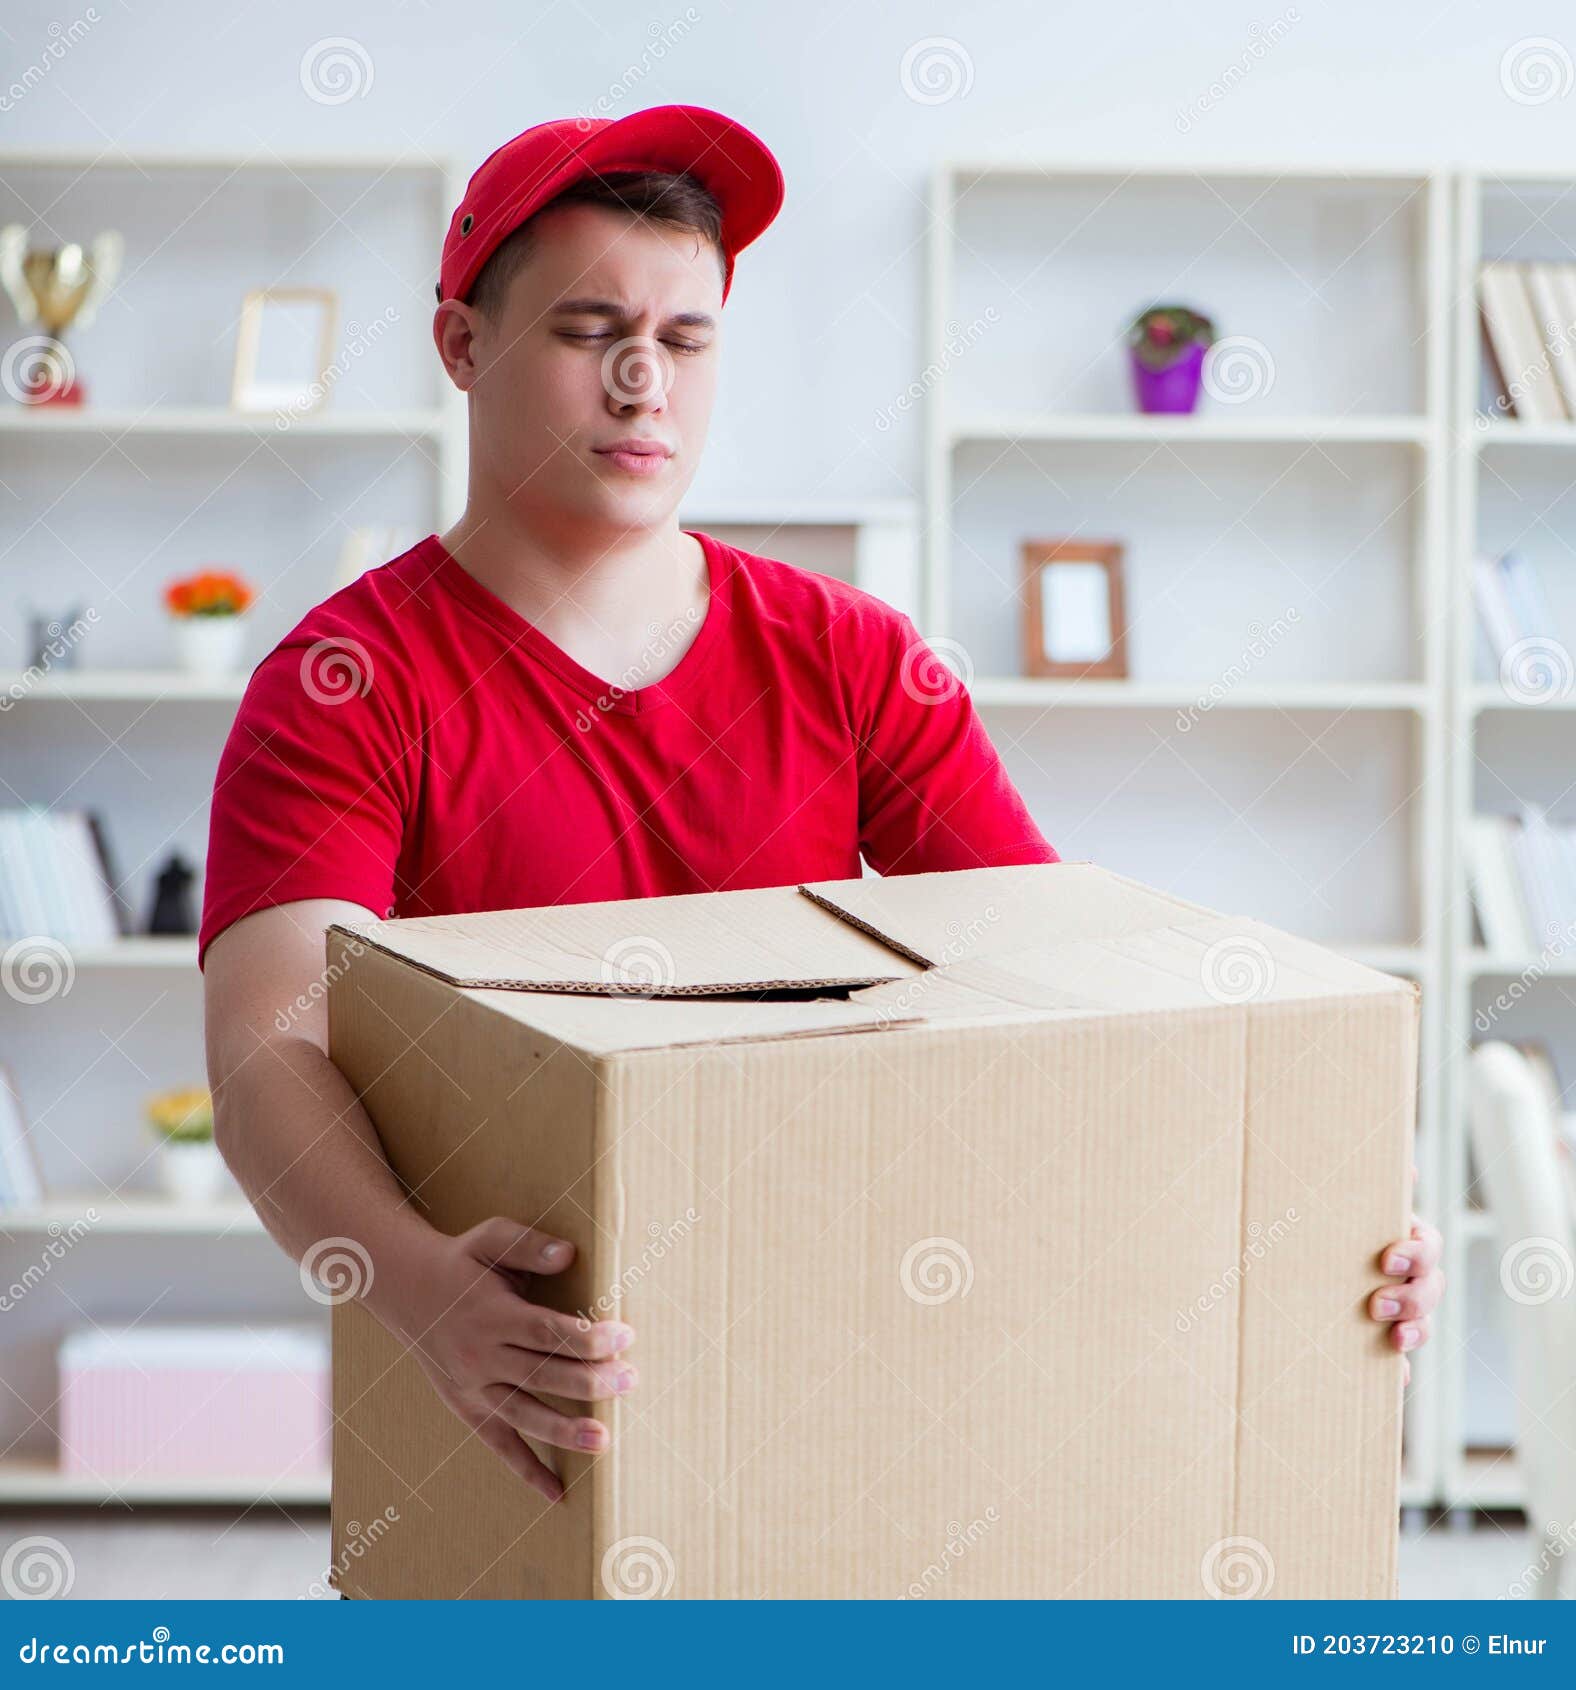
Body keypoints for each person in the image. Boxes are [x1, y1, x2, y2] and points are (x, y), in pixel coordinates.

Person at [199, 104, 1442, 1506]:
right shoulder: (348, 680)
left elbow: (1069, 997)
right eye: (583, 328)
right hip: (505, 1390)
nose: (640, 382)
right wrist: (421, 1287)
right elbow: (267, 1054)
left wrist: (1300, 1217)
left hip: (827, 1362)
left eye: (684, 338)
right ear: (462, 346)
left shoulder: (856, 657)